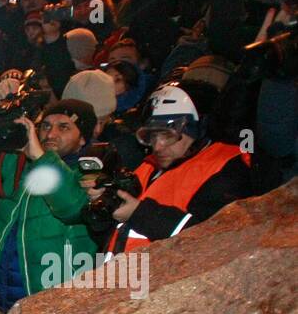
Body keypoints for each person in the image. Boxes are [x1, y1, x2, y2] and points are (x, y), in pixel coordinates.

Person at [0, 79, 97, 314]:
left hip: (50, 306)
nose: (51, 133)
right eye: (46, 125)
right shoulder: (18, 164)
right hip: (0, 299)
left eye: (64, 127)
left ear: (83, 139)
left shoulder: (90, 175)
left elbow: (71, 207)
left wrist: (39, 156)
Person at [104, 83, 253, 252]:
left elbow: (216, 239)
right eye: (151, 136)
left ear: (196, 130)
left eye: (167, 135)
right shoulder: (148, 167)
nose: (157, 146)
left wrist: (139, 214)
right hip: (126, 274)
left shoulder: (227, 169)